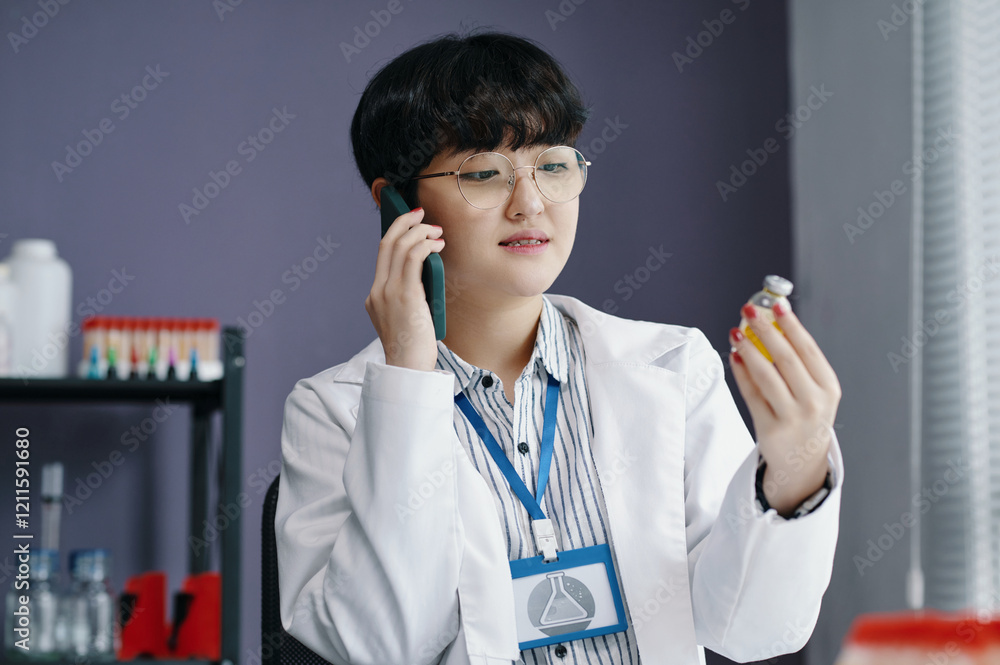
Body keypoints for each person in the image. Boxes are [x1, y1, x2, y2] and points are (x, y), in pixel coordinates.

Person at [275, 30, 843, 665]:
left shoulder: (672, 366)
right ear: (396, 205)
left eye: (552, 166)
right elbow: (382, 647)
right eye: (483, 174)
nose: (530, 204)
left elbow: (752, 629)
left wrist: (793, 469)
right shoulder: (334, 411)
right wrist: (407, 380)